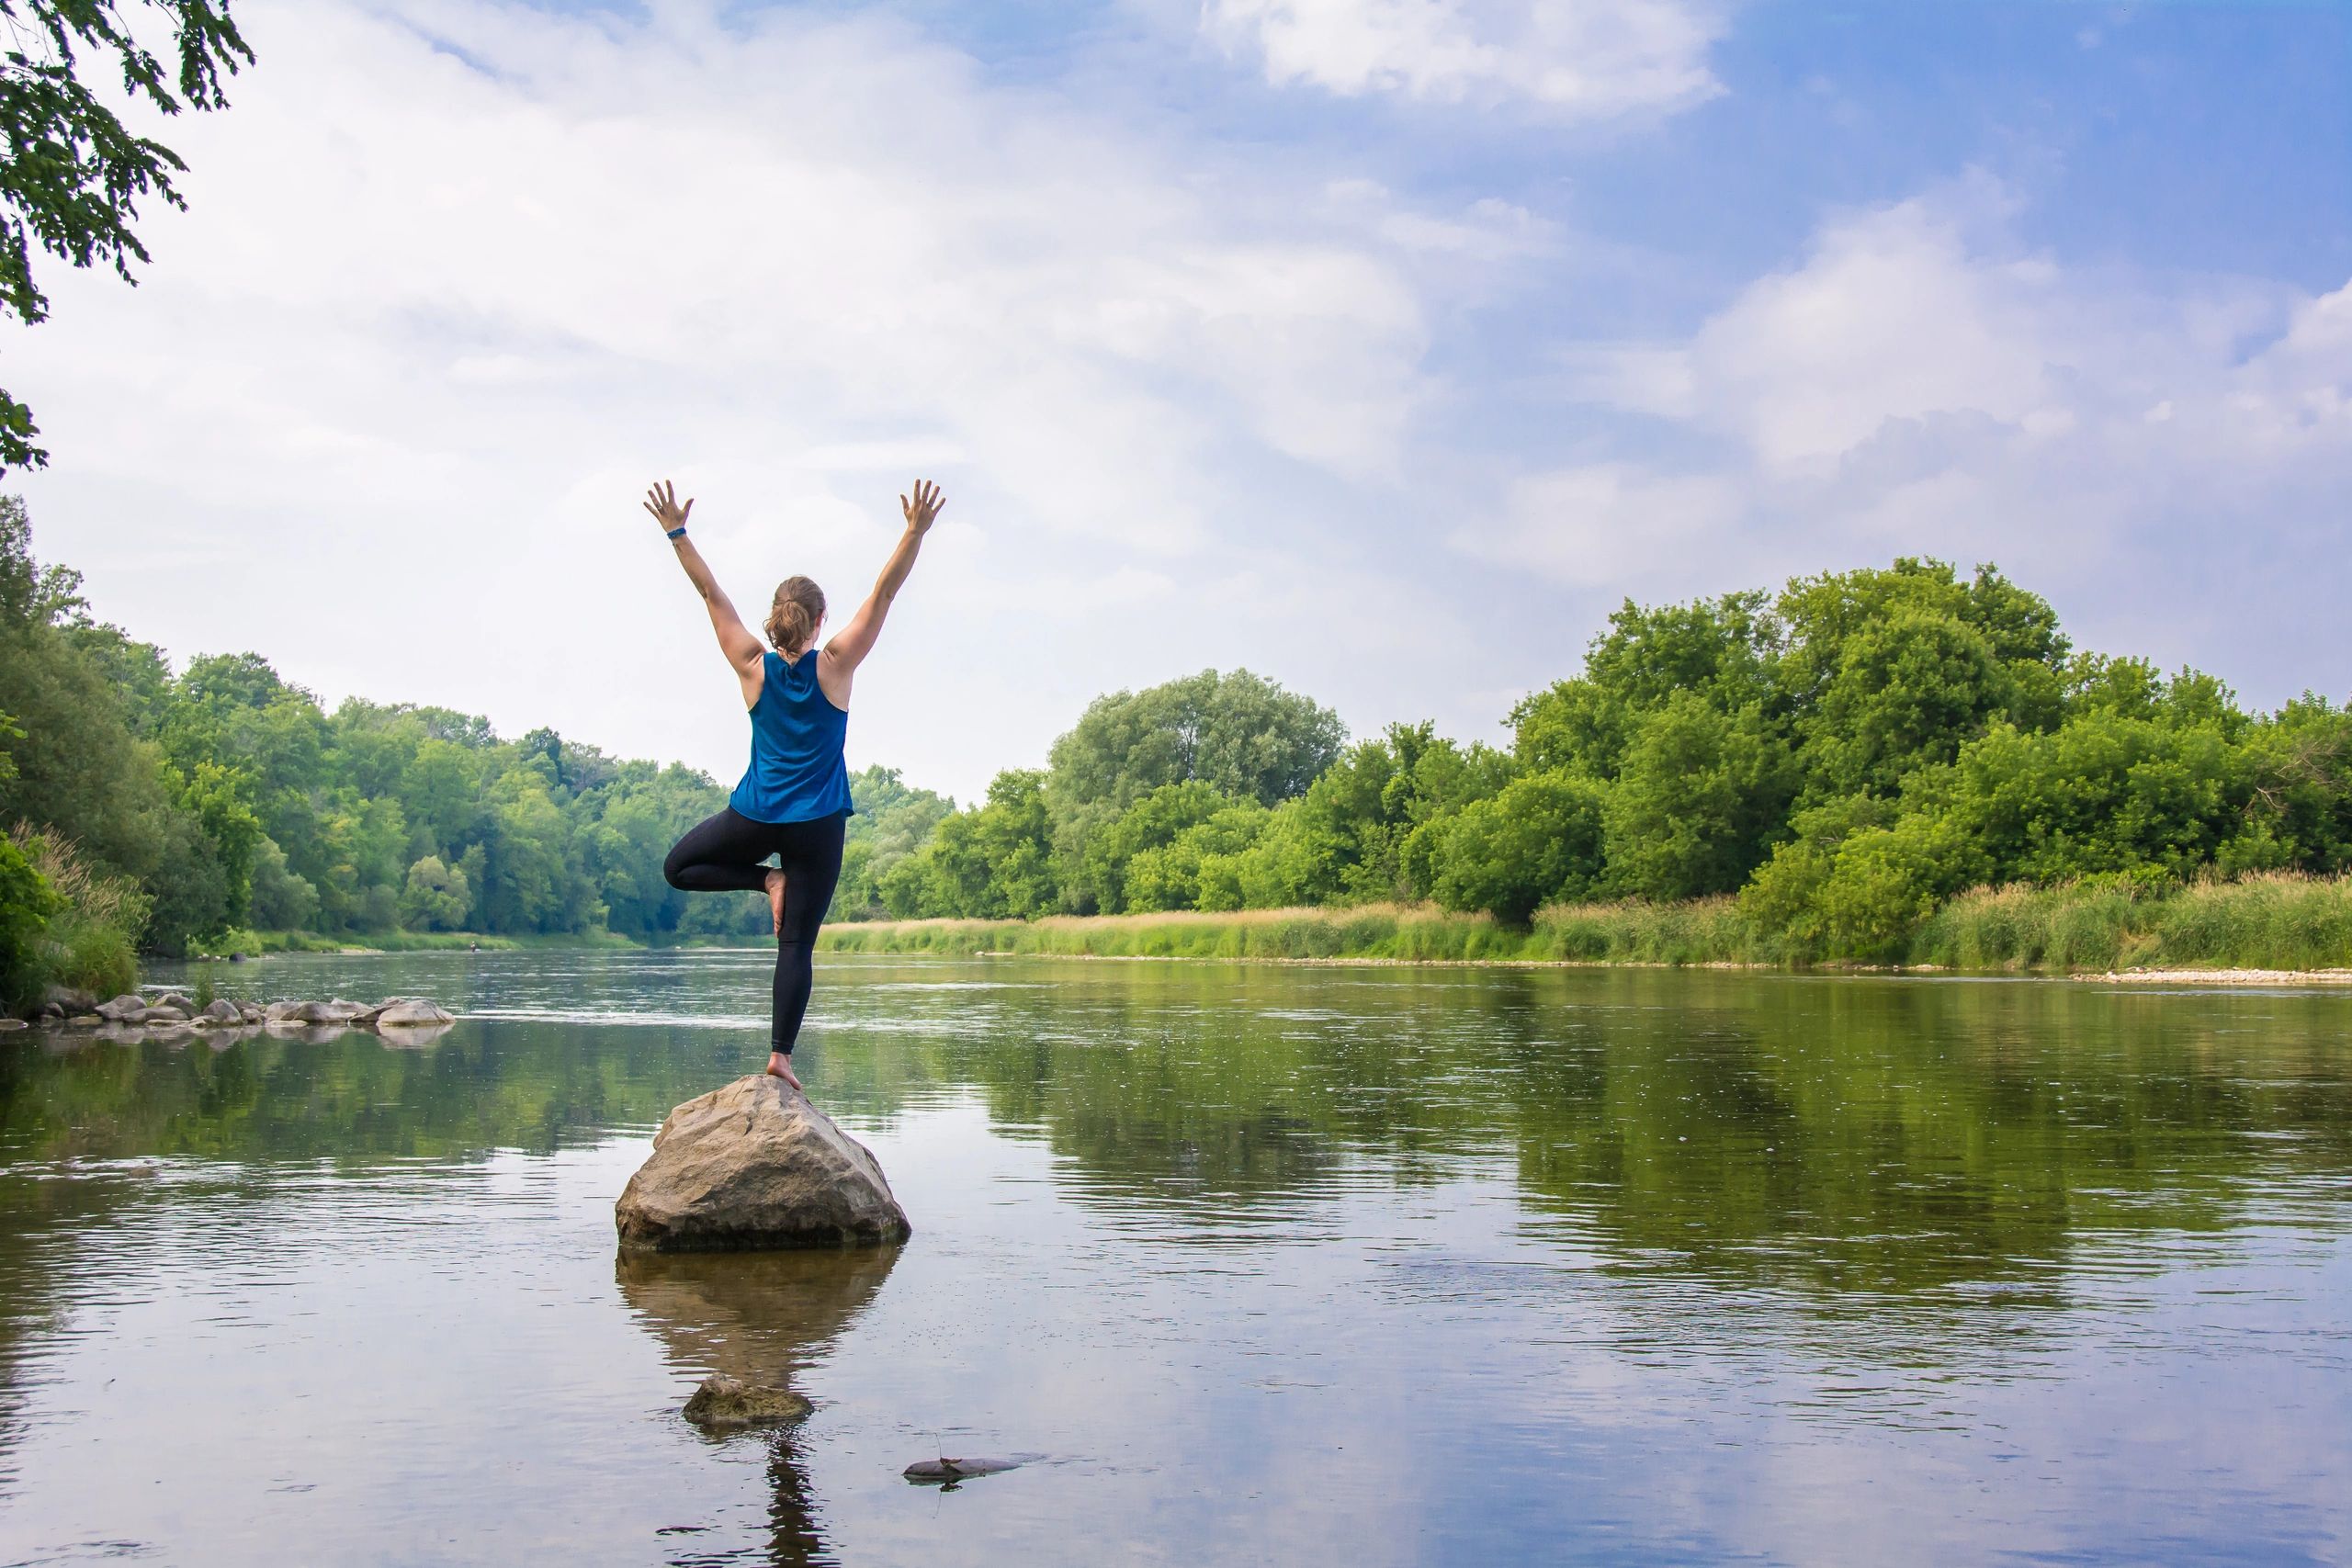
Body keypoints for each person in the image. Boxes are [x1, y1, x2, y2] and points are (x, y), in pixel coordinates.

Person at [649, 477, 944, 1091]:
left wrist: (677, 532)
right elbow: (885, 592)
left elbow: (710, 593)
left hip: (755, 816)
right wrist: (914, 532)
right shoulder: (835, 665)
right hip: (818, 826)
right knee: (796, 947)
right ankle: (780, 1057)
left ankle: (766, 879)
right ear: (820, 620)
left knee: (678, 867)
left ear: (777, 619)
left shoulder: (751, 665)